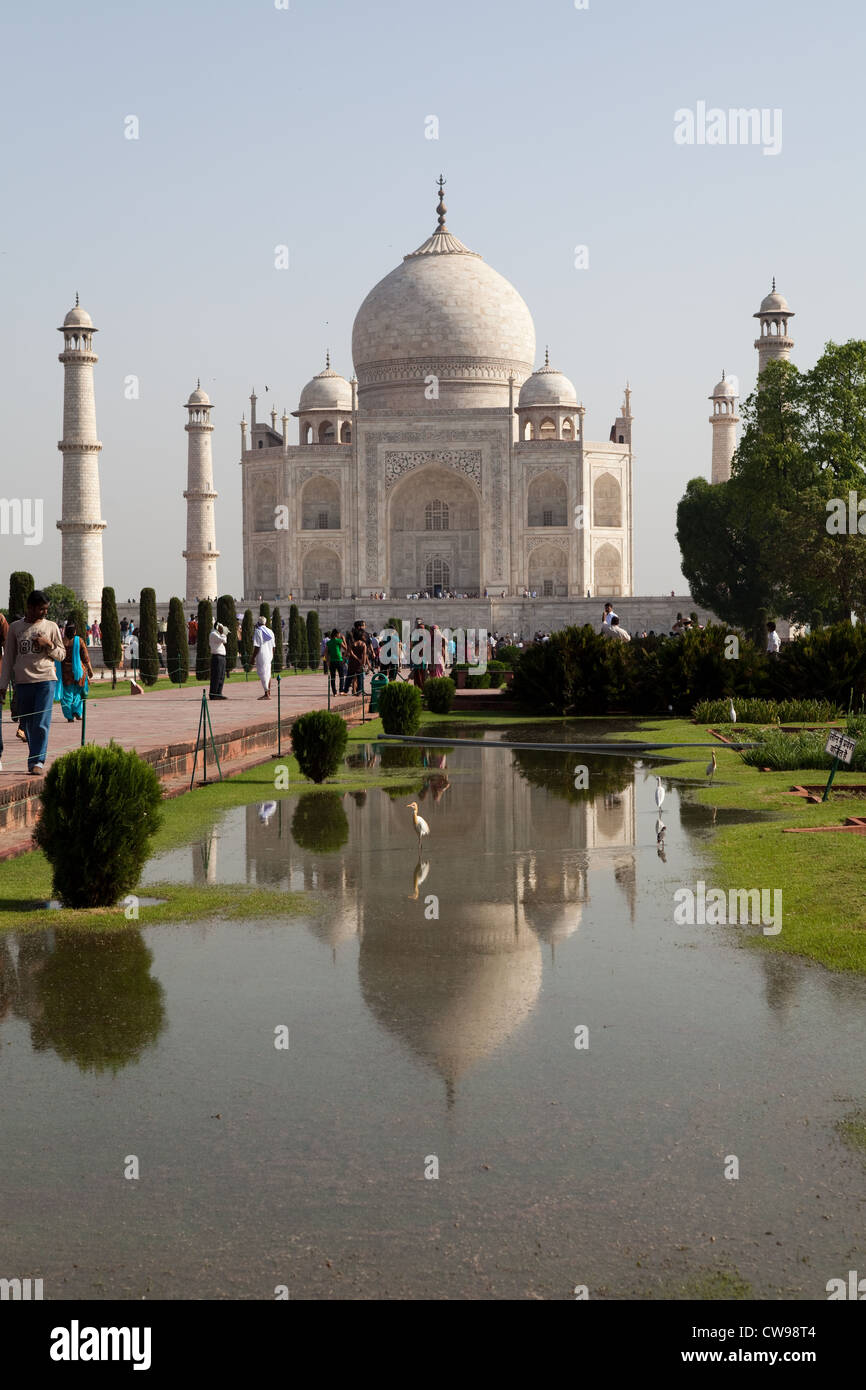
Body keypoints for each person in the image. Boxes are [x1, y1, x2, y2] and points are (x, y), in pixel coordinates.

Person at [0, 590, 66, 775]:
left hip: (45, 680)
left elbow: (61, 655)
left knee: (41, 722)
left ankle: (37, 761)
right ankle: (34, 756)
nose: (45, 612)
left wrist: (48, 645)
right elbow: (8, 659)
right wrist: (3, 686)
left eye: (46, 609)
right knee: (28, 723)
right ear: (30, 608)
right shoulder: (15, 628)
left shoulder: (51, 627)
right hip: (23, 682)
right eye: (41, 609)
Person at [55, 618, 94, 722]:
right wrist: (90, 670)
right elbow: (86, 658)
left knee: (67, 694)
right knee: (78, 692)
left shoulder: (61, 642)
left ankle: (69, 716)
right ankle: (77, 711)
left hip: (65, 673)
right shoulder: (79, 641)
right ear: (75, 631)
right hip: (79, 672)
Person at [253, 615, 275, 699]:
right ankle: (268, 692)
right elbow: (273, 647)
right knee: (267, 674)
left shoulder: (258, 631)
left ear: (258, 623)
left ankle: (266, 693)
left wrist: (252, 658)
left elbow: (257, 646)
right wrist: (271, 656)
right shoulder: (270, 631)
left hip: (261, 655)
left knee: (263, 674)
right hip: (269, 655)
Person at [209, 622, 228, 699]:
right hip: (217, 657)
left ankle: (219, 693)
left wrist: (222, 633)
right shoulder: (213, 634)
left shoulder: (217, 634)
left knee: (221, 676)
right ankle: (213, 694)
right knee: (216, 676)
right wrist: (223, 633)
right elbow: (224, 640)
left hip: (221, 657)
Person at [326, 629, 344, 695]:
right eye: (339, 634)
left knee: (333, 677)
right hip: (339, 660)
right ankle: (341, 691)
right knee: (341, 676)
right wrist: (344, 640)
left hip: (332, 661)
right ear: (336, 634)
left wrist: (327, 661)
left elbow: (326, 652)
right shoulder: (339, 640)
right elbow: (345, 648)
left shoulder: (329, 642)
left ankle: (334, 692)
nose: (340, 635)